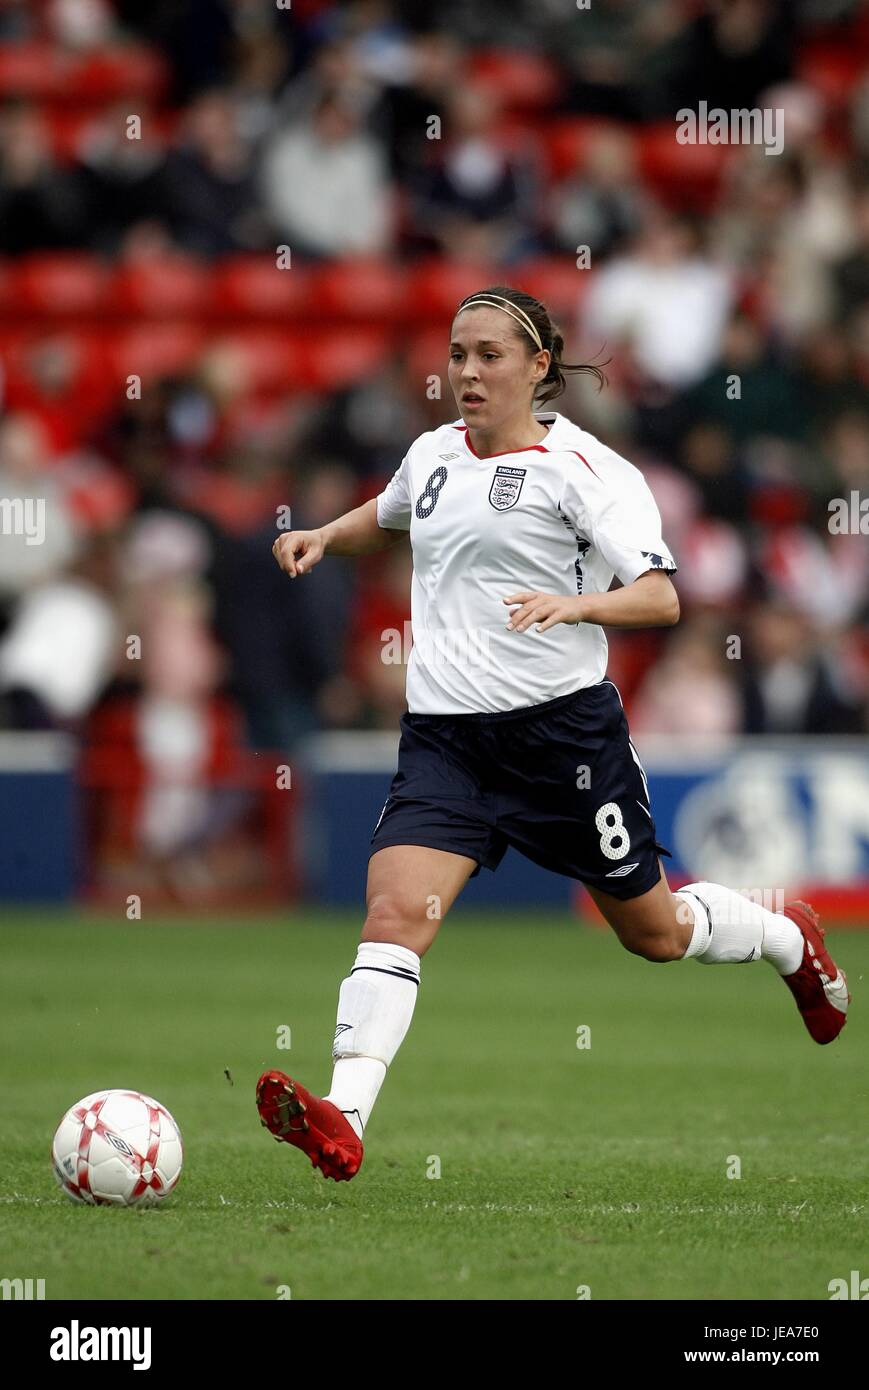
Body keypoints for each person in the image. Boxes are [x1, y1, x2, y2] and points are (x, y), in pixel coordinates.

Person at [258, 287, 850, 1182]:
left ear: (539, 366)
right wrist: (317, 535)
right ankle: (344, 1117)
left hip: (562, 744)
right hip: (445, 743)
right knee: (393, 913)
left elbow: (660, 595)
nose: (466, 372)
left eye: (489, 355)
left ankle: (783, 937)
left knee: (651, 932)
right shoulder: (430, 457)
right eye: (457, 354)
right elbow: (383, 518)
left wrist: (576, 603)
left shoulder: (588, 471)